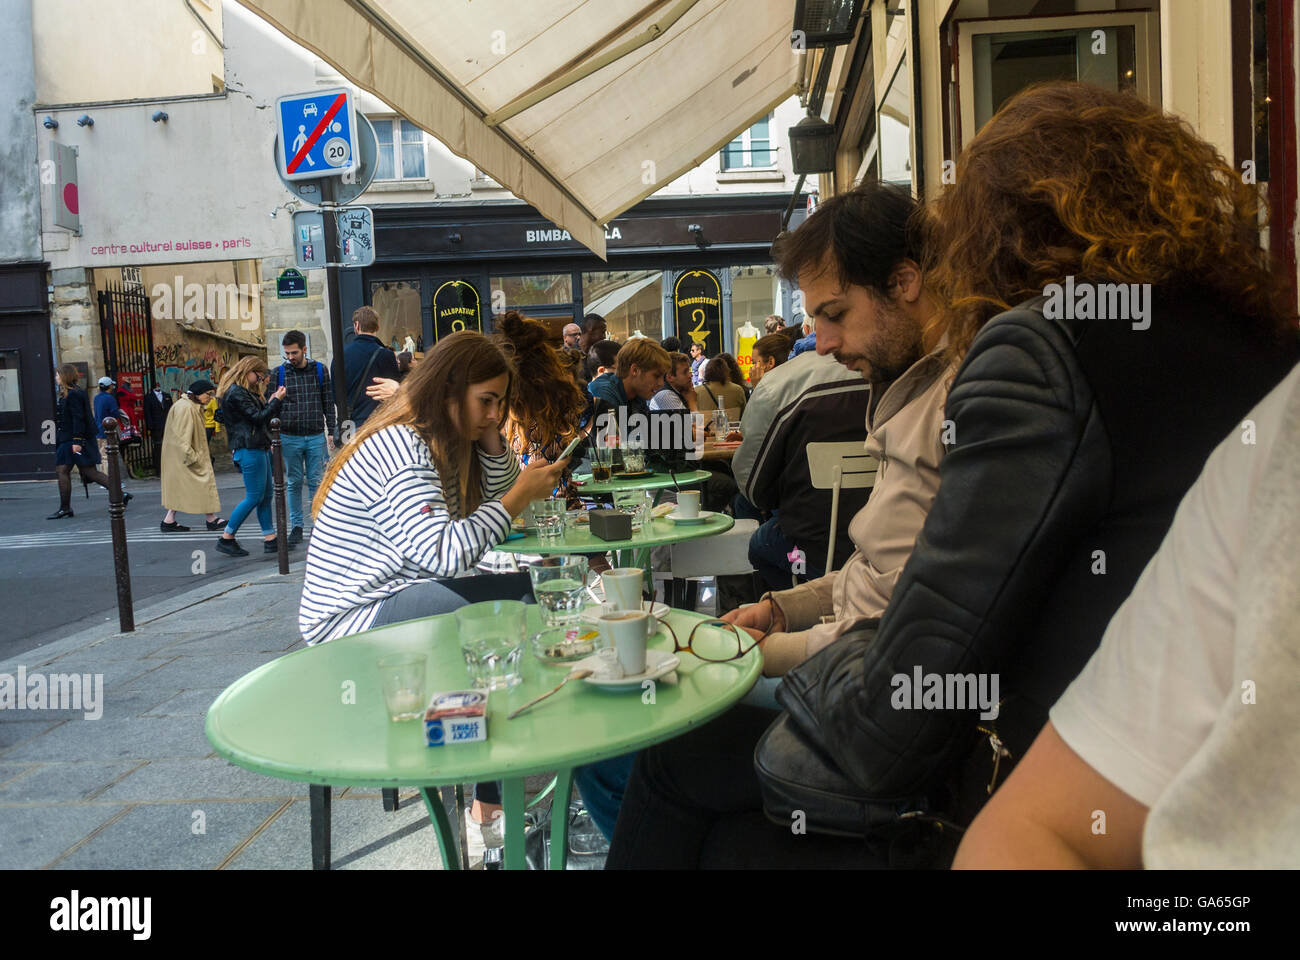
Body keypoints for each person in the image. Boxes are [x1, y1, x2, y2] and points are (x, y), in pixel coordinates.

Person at [604, 82, 1300, 869]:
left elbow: (911, 688)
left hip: (1018, 784)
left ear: (990, 231)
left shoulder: (1038, 353)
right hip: (1184, 779)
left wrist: (758, 664)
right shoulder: (1258, 350)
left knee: (686, 780)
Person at [573, 181, 946, 840]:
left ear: (906, 280)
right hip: (845, 646)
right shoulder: (903, 389)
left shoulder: (941, 406)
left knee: (626, 742)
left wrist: (764, 650)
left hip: (864, 693)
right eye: (813, 321)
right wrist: (780, 608)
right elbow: (877, 572)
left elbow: (758, 487)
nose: (822, 342)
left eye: (834, 313)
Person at [955, 363, 1300, 869]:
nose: (827, 343)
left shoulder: (1029, 365)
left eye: (837, 314)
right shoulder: (1270, 422)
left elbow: (941, 628)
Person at [300, 332, 568, 850]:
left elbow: (496, 505)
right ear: (450, 390)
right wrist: (517, 496)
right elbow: (446, 552)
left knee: (523, 595)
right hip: (349, 621)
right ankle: (488, 808)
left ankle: (497, 781)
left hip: (392, 596)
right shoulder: (403, 447)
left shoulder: (440, 439)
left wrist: (493, 444)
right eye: (486, 401)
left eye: (501, 402)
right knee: (508, 613)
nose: (495, 413)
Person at [733, 349, 871, 590]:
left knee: (760, 545)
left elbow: (755, 491)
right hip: (887, 550)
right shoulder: (900, 379)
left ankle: (791, 611)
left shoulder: (780, 386)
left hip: (811, 554)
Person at [215, 356, 289, 557]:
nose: (261, 379)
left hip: (258, 447)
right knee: (254, 496)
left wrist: (273, 401)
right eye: (259, 375)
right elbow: (258, 418)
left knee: (266, 495)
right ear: (248, 371)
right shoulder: (237, 393)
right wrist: (274, 401)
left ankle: (270, 539)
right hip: (249, 448)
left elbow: (264, 419)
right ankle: (226, 537)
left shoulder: (244, 392)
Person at [272, 330, 338, 545]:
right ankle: (297, 526)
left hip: (315, 435)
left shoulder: (320, 370)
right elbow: (271, 407)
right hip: (289, 436)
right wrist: (271, 438)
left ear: (304, 349)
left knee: (316, 482)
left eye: (294, 353)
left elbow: (328, 403)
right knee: (293, 482)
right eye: (287, 353)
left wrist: (331, 431)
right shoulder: (279, 373)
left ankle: (317, 525)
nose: (290, 357)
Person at [47, 365, 128, 519]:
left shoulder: (73, 394)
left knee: (65, 471)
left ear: (64, 376)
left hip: (73, 439)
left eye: (58, 374)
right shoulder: (70, 393)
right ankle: (120, 493)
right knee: (88, 471)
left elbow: (79, 418)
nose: (56, 377)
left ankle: (65, 508)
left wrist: (77, 440)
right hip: (70, 439)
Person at [159, 379, 224, 532]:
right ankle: (211, 519)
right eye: (208, 394)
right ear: (198, 394)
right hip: (187, 456)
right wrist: (193, 457)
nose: (210, 397)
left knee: (184, 487)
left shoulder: (189, 406)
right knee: (202, 483)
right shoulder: (186, 408)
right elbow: (182, 437)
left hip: (183, 456)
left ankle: (170, 520)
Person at [343, 305, 400, 429]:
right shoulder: (387, 355)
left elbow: (337, 395)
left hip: (352, 425)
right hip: (380, 424)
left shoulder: (341, 356)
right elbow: (394, 394)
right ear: (377, 327)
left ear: (356, 326)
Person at [587, 338, 670, 420]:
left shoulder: (637, 394)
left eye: (663, 377)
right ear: (635, 370)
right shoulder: (603, 390)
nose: (661, 383)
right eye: (656, 376)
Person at [693, 356, 746, 422]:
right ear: (727, 371)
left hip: (704, 432)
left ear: (707, 371)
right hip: (731, 431)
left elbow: (692, 420)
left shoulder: (697, 391)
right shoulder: (738, 390)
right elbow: (744, 416)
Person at [93, 376, 124, 469]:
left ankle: (106, 479)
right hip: (109, 431)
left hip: (98, 430)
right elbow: (115, 413)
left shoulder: (96, 398)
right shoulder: (110, 398)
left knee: (103, 456)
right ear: (110, 386)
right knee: (110, 456)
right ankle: (110, 480)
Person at [143, 380, 173, 476]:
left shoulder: (167, 395)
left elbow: (171, 410)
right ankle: (159, 469)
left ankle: (170, 467)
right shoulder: (148, 397)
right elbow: (147, 413)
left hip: (167, 424)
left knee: (169, 446)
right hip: (156, 426)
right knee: (158, 447)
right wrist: (150, 427)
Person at [578, 313, 607, 380]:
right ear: (591, 329)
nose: (604, 336)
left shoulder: (598, 355)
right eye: (603, 332)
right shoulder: (570, 356)